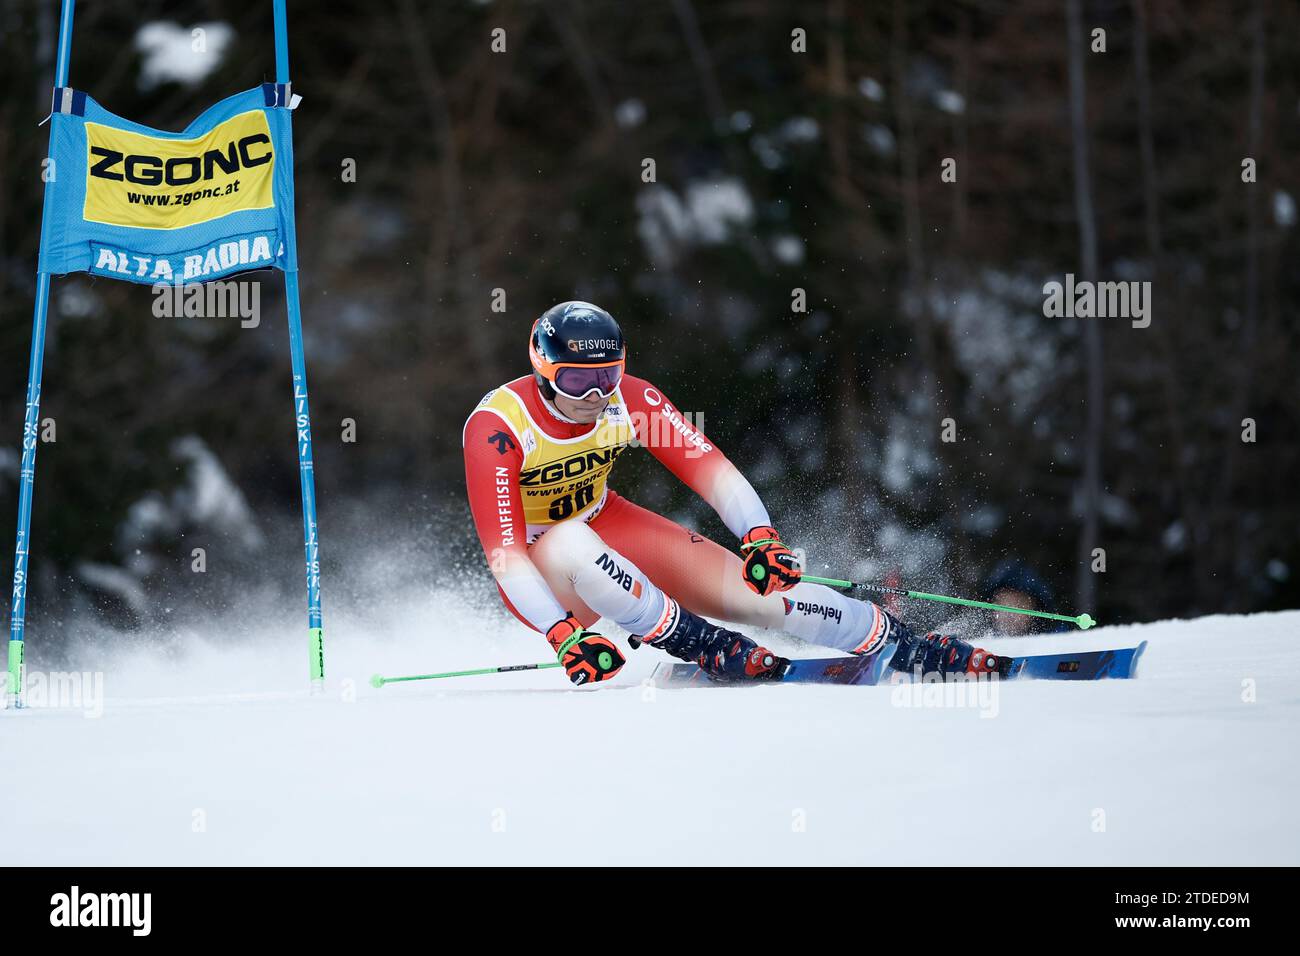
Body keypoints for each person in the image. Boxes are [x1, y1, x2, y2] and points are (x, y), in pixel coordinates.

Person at [462, 301, 1009, 685]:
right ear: (543, 371)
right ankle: (699, 643)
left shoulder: (630, 401)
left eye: (608, 376)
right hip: (545, 576)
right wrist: (561, 634)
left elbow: (712, 471)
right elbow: (505, 557)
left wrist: (760, 537)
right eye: (578, 382)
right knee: (569, 543)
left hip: (608, 524)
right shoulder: (499, 427)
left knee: (759, 596)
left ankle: (907, 644)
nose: (597, 395)